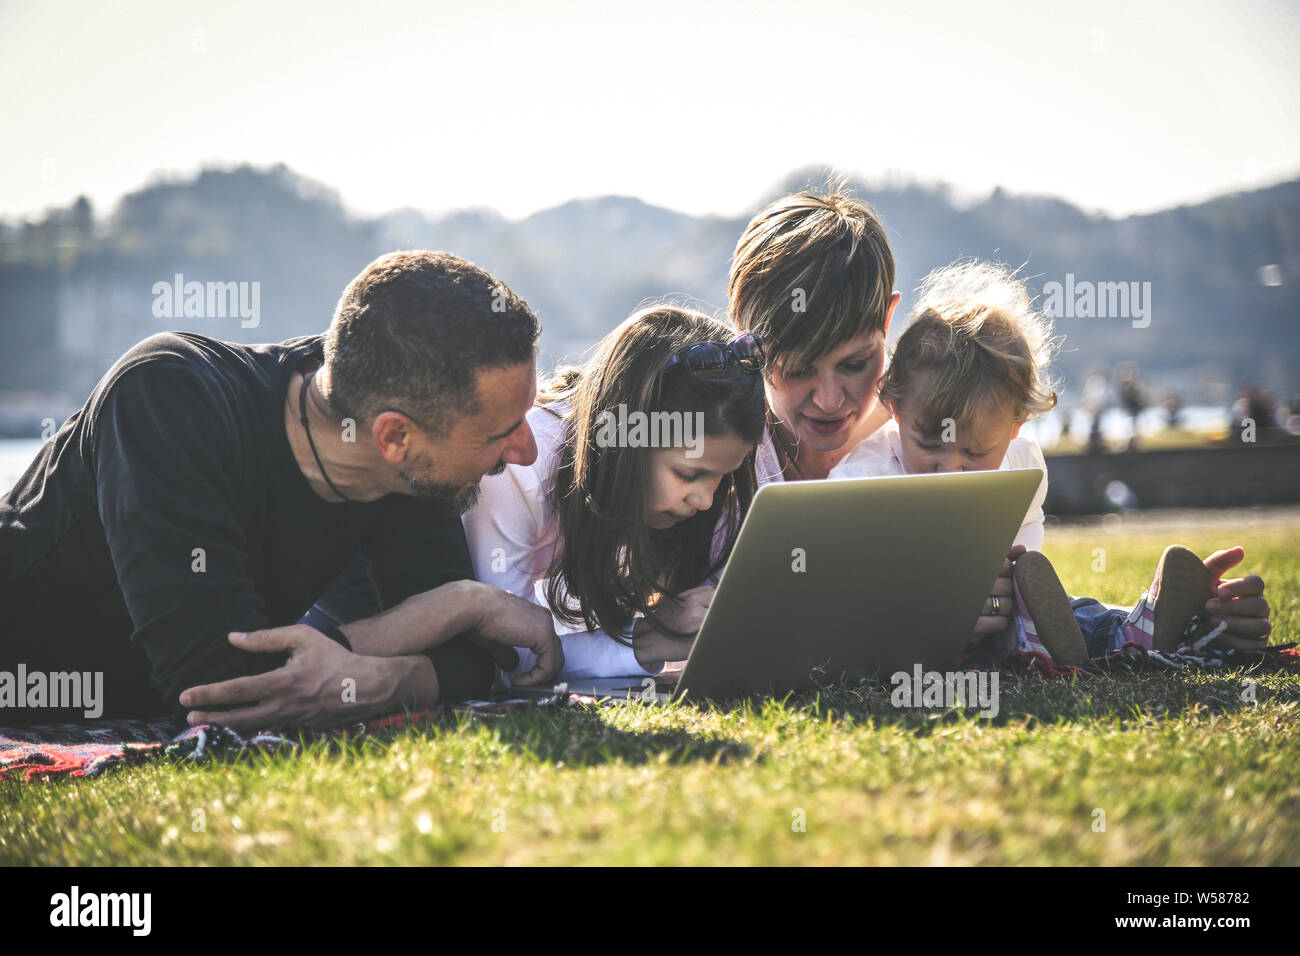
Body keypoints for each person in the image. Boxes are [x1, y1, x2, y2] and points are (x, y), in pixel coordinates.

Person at [0, 250, 561, 730]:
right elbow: (220, 686)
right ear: (395, 436)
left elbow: (472, 656)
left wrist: (388, 661)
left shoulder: (402, 435)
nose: (525, 453)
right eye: (499, 433)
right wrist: (465, 603)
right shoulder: (167, 397)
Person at [726, 190, 1271, 649]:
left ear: (888, 320)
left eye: (853, 362)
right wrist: (917, 621)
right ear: (749, 346)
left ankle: (1152, 627)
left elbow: (1028, 589)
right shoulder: (716, 454)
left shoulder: (930, 401)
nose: (829, 398)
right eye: (797, 368)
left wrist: (1199, 622)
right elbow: (678, 621)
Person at [830, 260, 1235, 664]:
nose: (950, 467)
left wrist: (1013, 585)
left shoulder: (1021, 465)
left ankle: (1138, 628)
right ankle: (1045, 640)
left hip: (999, 611)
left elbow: (1027, 540)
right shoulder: (863, 479)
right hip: (906, 623)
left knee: (1075, 610)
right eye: (928, 443)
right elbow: (842, 584)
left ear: (1015, 426)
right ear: (896, 410)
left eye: (974, 452)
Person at [461, 304, 767, 683]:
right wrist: (648, 641)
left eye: (722, 477)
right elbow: (511, 658)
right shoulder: (519, 471)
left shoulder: (678, 497)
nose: (704, 500)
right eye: (689, 474)